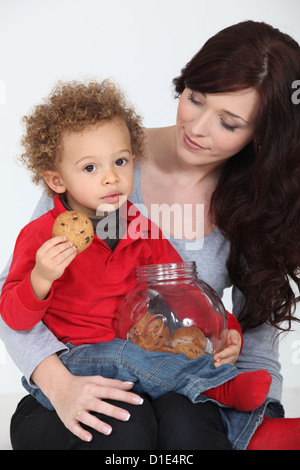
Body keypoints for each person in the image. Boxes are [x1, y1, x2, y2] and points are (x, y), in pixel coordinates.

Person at [0, 20, 299, 450]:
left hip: (184, 389)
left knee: (186, 425)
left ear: (263, 136)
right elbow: (13, 305)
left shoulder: (254, 203)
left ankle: (252, 433)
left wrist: (229, 335)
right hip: (72, 380)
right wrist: (60, 386)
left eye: (228, 123)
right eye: (194, 99)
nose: (196, 128)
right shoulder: (99, 159)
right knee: (122, 424)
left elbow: (211, 304)